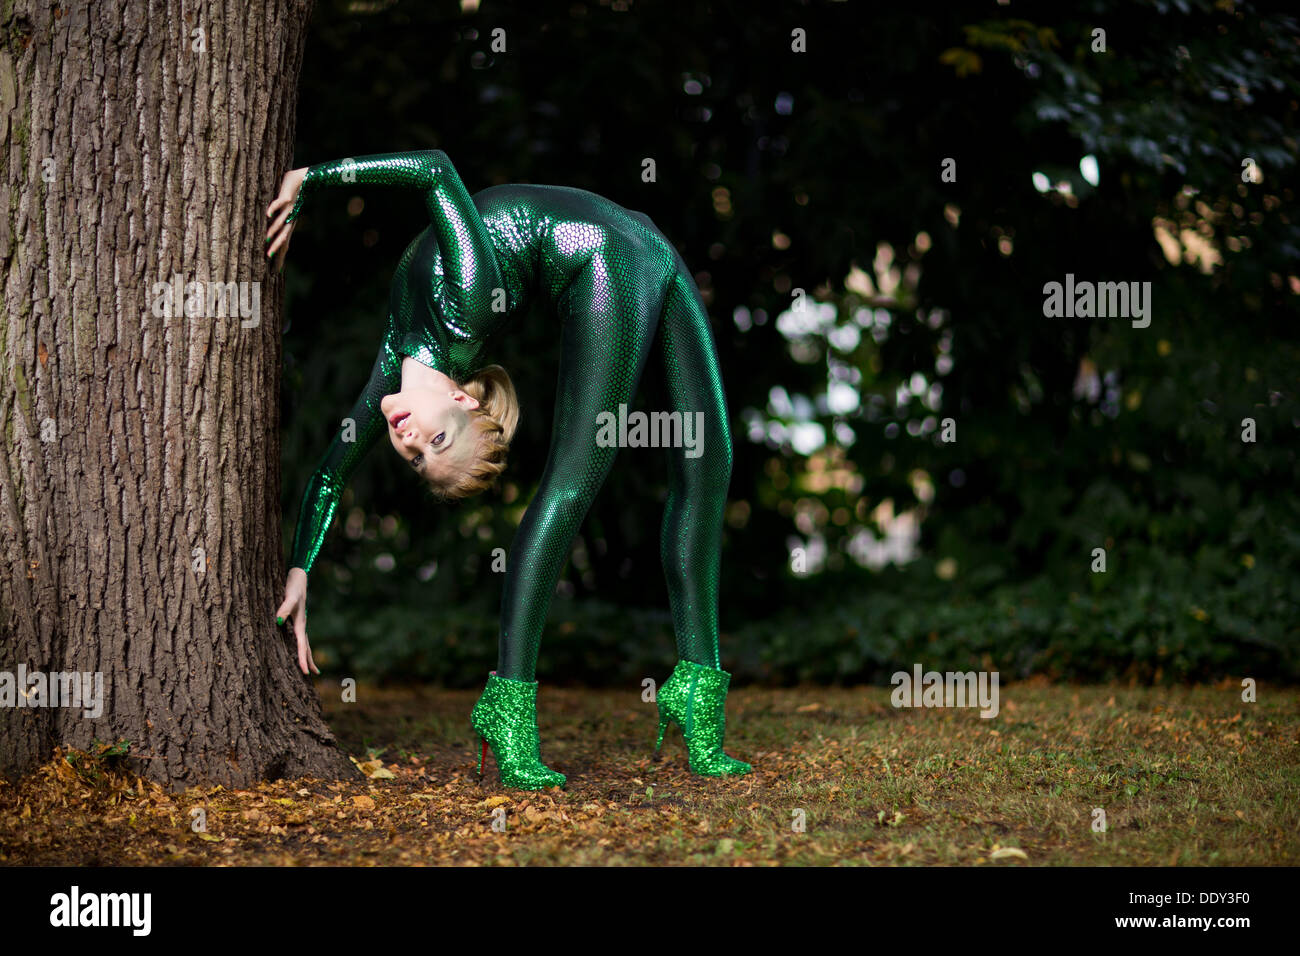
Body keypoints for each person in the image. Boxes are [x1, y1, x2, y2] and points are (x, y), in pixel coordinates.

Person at [264, 150, 751, 789]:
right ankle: (521, 705)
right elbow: (331, 476)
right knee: (608, 473)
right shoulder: (461, 317)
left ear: (462, 399)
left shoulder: (428, 331)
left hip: (637, 238)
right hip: (618, 253)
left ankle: (675, 694)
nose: (411, 441)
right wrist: (302, 569)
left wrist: (315, 178)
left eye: (425, 447)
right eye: (429, 449)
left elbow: (438, 167)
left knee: (709, 465)